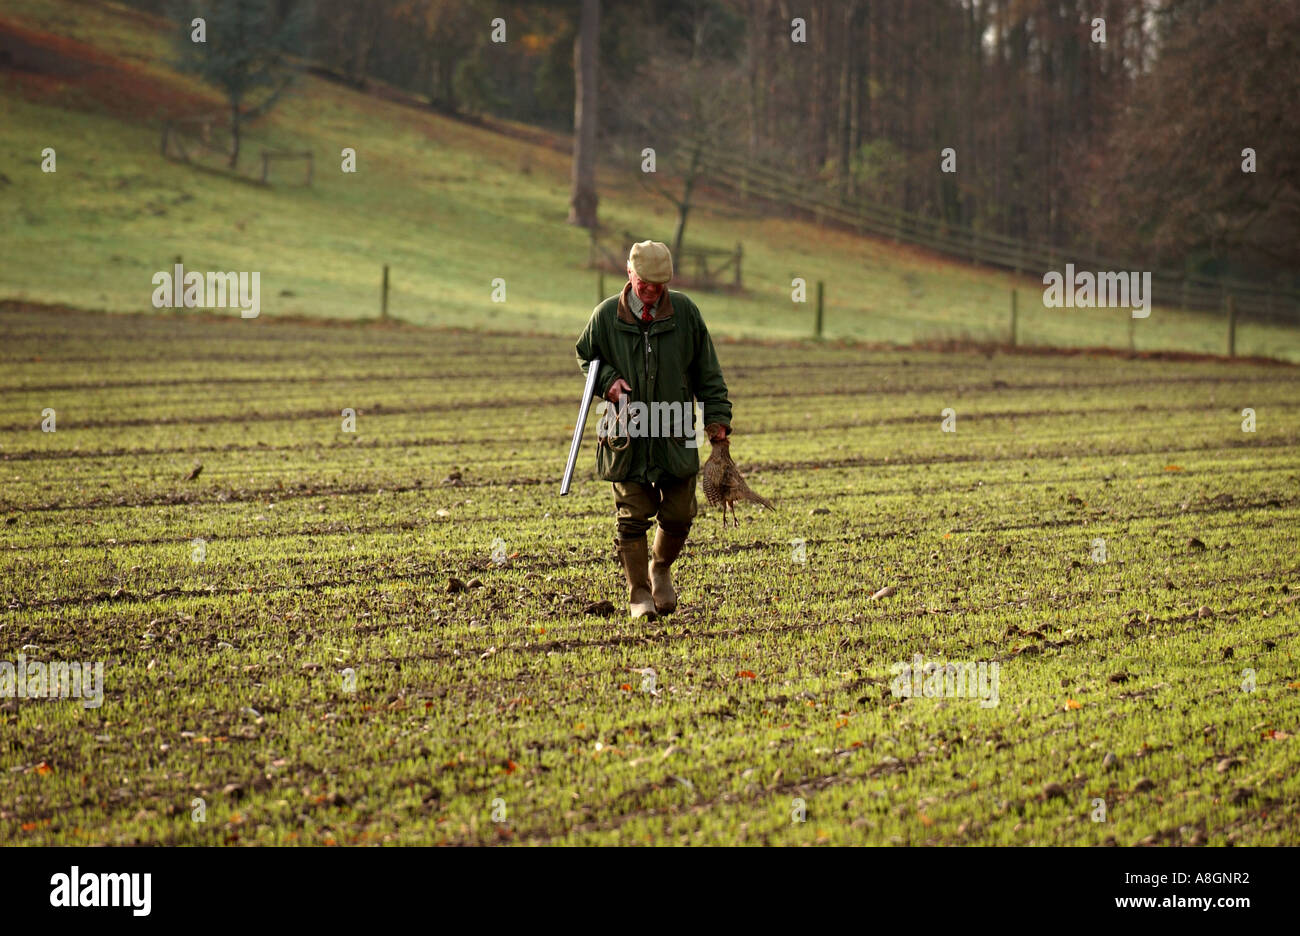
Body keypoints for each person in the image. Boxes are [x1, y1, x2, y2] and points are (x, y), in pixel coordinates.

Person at [574, 240, 732, 619]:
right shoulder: (606, 315)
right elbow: (586, 357)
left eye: (659, 284)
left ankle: (659, 569)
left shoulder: (686, 314)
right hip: (626, 432)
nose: (652, 290)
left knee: (680, 514)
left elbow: (707, 372)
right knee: (632, 515)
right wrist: (607, 382)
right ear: (630, 274)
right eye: (645, 282)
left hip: (674, 430)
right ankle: (639, 595)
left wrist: (718, 420)